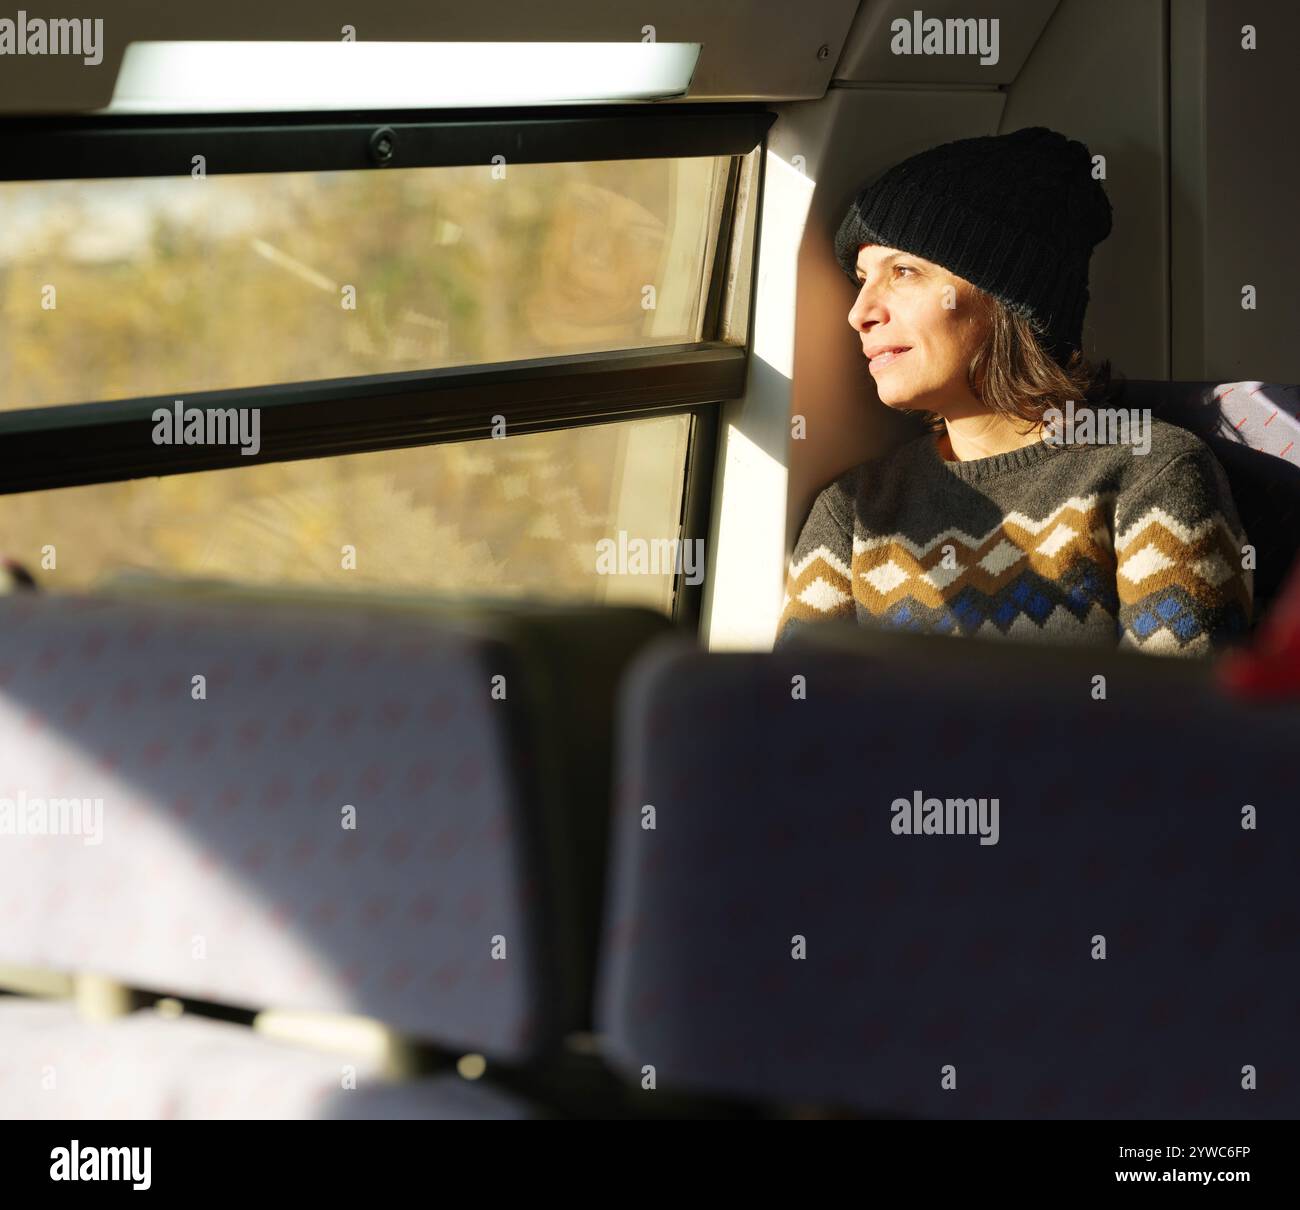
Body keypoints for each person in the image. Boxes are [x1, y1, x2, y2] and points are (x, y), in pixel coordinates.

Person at [776, 127, 1252, 656]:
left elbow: (1177, 727)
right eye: (862, 278)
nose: (859, 312)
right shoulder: (855, 510)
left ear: (1005, 300)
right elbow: (797, 724)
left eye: (904, 272)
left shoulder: (1153, 475)